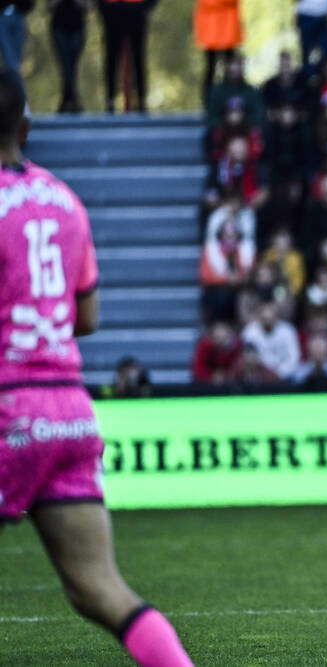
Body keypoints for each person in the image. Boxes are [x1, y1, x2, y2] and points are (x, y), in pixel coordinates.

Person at [0, 68, 194, 665]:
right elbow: (85, 317)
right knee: (97, 588)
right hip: (68, 410)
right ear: (26, 125)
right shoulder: (65, 200)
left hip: (6, 403)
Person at [98, 0, 157, 113]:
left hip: (136, 12)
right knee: (111, 59)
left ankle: (141, 101)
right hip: (112, 12)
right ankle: (110, 101)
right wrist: (103, 8)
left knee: (138, 59)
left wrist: (145, 7)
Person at [193, 0, 241, 106]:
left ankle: (230, 101)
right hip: (212, 26)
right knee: (212, 66)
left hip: (224, 25)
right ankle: (209, 103)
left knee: (228, 66)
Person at [50, 0, 87, 113]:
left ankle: (68, 101)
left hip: (77, 28)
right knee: (65, 66)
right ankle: (71, 101)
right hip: (59, 28)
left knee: (73, 66)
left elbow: (89, 7)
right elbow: (49, 6)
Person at [0, 0, 31, 74]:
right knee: (9, 55)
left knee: (17, 54)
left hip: (19, 13)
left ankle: (14, 76)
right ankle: (14, 77)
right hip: (2, 14)